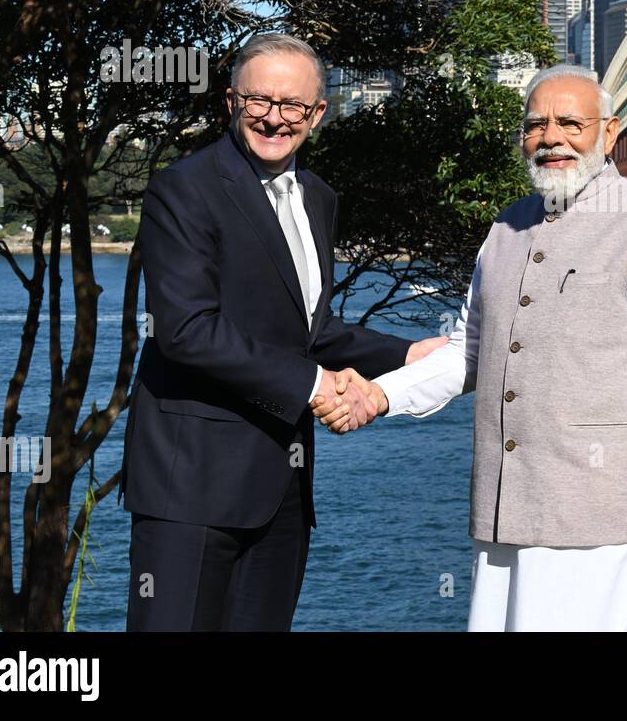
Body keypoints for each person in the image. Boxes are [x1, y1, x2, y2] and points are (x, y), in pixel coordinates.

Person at [318, 64, 627, 631]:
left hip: (604, 526)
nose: (551, 138)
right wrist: (377, 396)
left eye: (570, 123)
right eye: (536, 124)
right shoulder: (504, 230)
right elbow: (469, 352)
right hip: (503, 515)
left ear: (609, 134)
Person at [120, 33, 444, 631]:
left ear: (317, 114)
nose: (274, 118)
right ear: (230, 101)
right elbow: (187, 330)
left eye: (292, 105)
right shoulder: (184, 189)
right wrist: (316, 387)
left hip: (283, 488)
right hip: (190, 486)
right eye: (259, 101)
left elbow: (308, 331)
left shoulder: (318, 198)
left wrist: (409, 353)